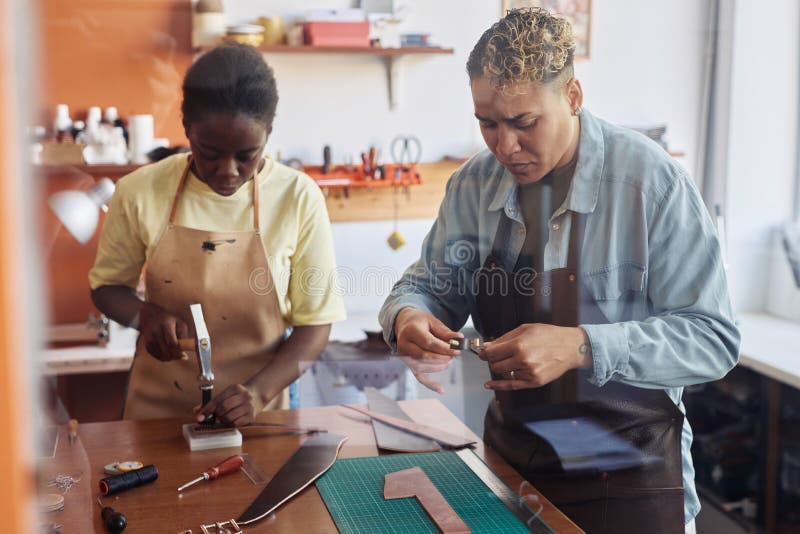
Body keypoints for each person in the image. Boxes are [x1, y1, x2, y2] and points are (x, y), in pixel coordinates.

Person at [379, 8, 739, 533]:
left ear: (572, 96)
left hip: (632, 483)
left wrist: (580, 346)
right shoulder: (472, 186)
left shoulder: (651, 184)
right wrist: (409, 316)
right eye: (487, 122)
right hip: (511, 472)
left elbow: (713, 340)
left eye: (524, 123)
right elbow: (429, 285)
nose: (504, 146)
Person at [90, 42, 345, 424]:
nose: (228, 170)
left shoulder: (297, 197)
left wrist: (257, 393)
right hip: (157, 413)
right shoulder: (140, 191)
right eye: (209, 152)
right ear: (186, 129)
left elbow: (315, 325)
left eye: (247, 155)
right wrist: (146, 316)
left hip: (259, 414)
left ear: (269, 132)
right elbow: (106, 288)